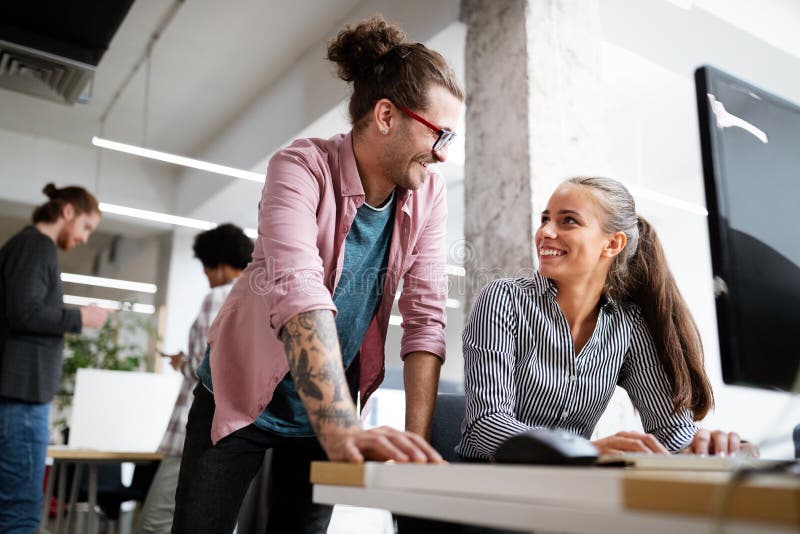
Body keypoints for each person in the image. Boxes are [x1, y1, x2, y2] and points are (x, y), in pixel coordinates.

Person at [172, 15, 464, 534]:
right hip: (242, 394)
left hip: (326, 404)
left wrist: (415, 453)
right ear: (385, 115)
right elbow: (298, 290)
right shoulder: (301, 167)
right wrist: (340, 426)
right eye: (439, 133)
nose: (443, 153)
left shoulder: (427, 193)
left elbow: (424, 315)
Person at [457, 176, 745, 461]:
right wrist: (585, 450)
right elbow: (487, 424)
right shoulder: (504, 299)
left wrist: (710, 446)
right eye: (545, 219)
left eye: (567, 220)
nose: (545, 232)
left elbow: (670, 432)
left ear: (612, 243)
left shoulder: (627, 324)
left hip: (568, 489)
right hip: (486, 483)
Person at [0, 183, 108, 533]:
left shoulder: (27, 246)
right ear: (68, 212)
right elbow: (25, 312)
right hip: (23, 399)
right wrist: (81, 318)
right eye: (86, 227)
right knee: (22, 509)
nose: (85, 238)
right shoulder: (36, 246)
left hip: (20, 397)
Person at [135, 224, 253, 534]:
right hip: (235, 432)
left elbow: (209, 369)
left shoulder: (218, 297)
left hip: (196, 429)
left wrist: (182, 363)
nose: (206, 276)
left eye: (206, 268)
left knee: (155, 524)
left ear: (217, 264)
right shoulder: (258, 298)